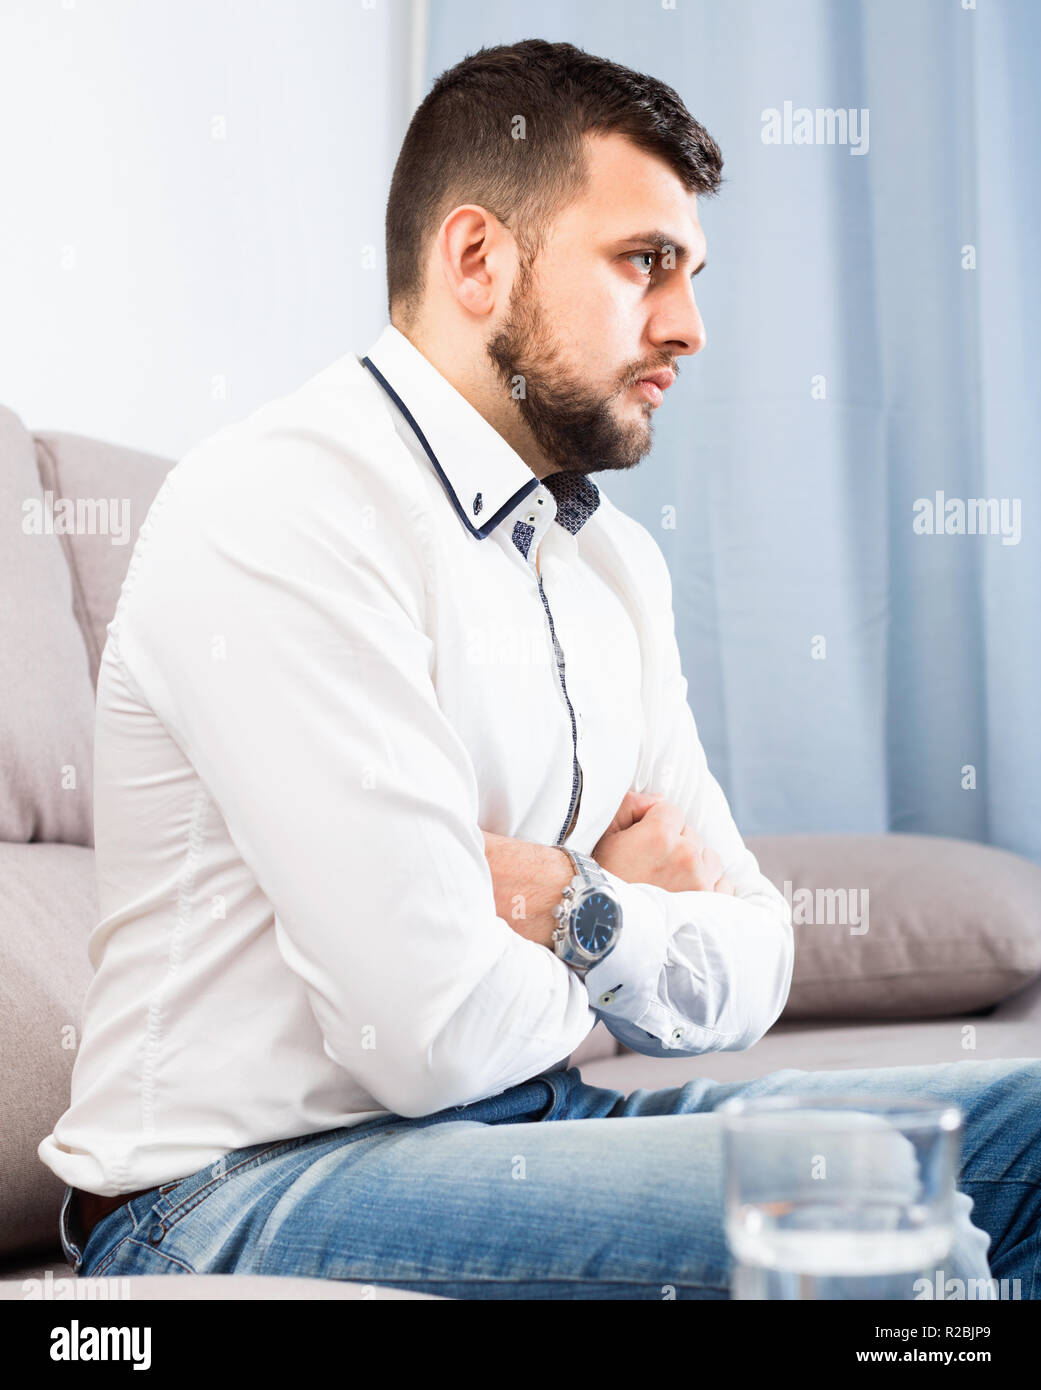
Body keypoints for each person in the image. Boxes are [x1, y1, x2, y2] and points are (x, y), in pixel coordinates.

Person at [40, 38, 1037, 1299]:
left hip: (530, 1125)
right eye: (644, 265)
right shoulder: (284, 506)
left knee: (1032, 1134)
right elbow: (424, 1031)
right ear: (476, 260)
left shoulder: (614, 569)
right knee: (891, 1234)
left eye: (691, 272)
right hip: (236, 1191)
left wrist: (570, 901)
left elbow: (761, 956)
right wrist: (620, 946)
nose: (690, 326)